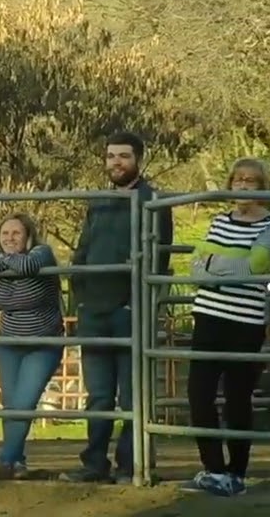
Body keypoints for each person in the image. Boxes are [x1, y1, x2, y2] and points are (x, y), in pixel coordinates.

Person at [61, 131, 173, 484]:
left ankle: (132, 464)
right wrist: (77, 292)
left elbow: (160, 254)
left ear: (138, 158)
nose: (116, 163)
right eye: (110, 156)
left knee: (131, 393)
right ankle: (94, 463)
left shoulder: (153, 199)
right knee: (98, 395)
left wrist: (140, 297)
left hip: (130, 309)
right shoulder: (99, 200)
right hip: (94, 309)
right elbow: (84, 246)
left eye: (123, 156)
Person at [180, 158, 270, 496]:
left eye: (251, 180)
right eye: (238, 180)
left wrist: (213, 266)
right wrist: (221, 267)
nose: (244, 186)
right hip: (207, 316)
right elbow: (194, 266)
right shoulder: (220, 220)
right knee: (199, 395)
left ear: (263, 187)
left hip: (245, 322)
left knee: (237, 398)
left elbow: (253, 268)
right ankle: (213, 469)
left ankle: (237, 473)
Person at [0, 212, 63, 480]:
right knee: (11, 404)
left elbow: (28, 267)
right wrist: (4, 260)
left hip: (42, 343)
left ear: (28, 236)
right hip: (8, 344)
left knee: (24, 403)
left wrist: (0, 261)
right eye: (4, 234)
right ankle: (17, 462)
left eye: (16, 233)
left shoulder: (43, 253)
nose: (10, 238)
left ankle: (6, 460)